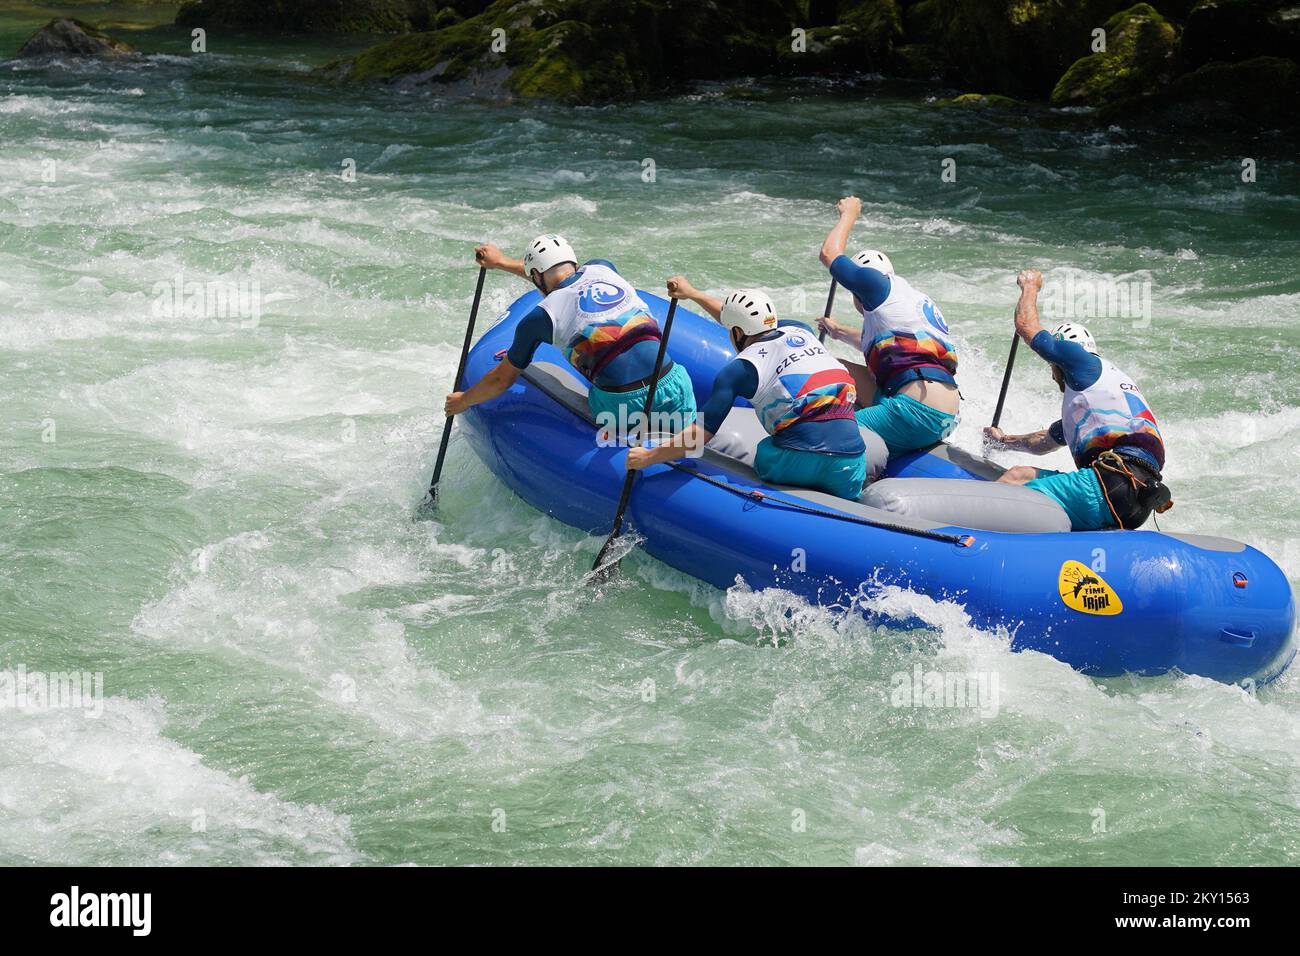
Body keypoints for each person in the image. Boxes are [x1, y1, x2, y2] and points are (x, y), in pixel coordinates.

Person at [626, 277, 867, 501]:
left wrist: (648, 457)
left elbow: (697, 438)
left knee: (764, 450)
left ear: (737, 333)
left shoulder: (738, 370)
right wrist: (693, 294)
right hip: (852, 465)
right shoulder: (799, 329)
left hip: (797, 463)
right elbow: (735, 319)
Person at [443, 235, 697, 437]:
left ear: (535, 277)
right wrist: (501, 262)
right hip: (676, 386)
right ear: (575, 264)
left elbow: (501, 380)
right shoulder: (604, 267)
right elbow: (563, 279)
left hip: (622, 409)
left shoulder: (540, 318)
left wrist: (463, 400)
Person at [983, 269, 1172, 531]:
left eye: (1053, 365)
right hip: (1137, 502)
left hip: (1109, 483)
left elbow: (1027, 328)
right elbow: (1044, 441)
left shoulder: (1081, 361)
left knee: (1014, 479)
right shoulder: (1100, 401)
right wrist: (1002, 441)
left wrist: (1029, 287)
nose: (1052, 375)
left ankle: (964, 542)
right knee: (1024, 473)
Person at [815, 196, 961, 456]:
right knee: (834, 367)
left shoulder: (874, 284)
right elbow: (895, 348)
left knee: (823, 432)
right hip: (942, 412)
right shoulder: (909, 298)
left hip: (915, 410)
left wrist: (849, 214)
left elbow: (829, 254)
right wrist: (838, 332)